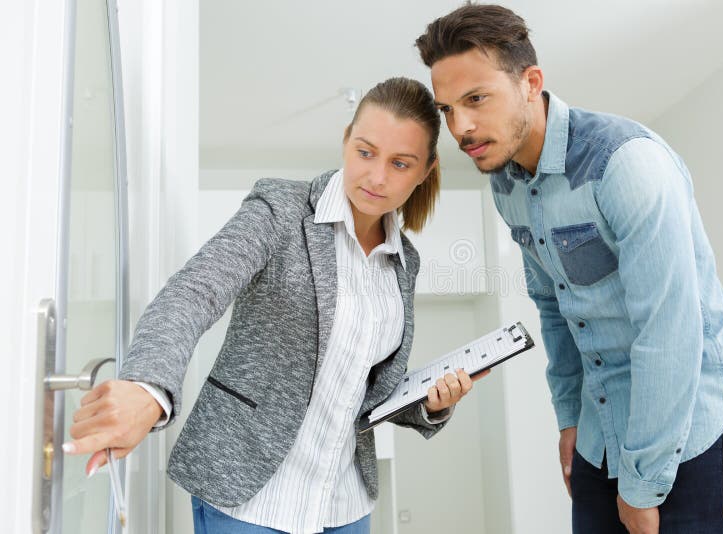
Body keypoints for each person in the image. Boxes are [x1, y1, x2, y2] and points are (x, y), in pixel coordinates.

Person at [63, 77, 487, 534]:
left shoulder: (405, 262)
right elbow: (194, 292)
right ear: (346, 140)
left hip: (343, 503)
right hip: (249, 495)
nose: (377, 176)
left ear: (425, 170)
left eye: (400, 163)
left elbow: (364, 392)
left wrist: (431, 404)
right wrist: (147, 386)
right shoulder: (281, 209)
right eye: (365, 152)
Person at [415, 4, 723, 533]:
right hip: (600, 433)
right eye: (447, 109)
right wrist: (571, 418)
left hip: (694, 434)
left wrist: (643, 486)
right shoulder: (506, 185)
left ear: (531, 83)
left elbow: (669, 329)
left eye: (476, 99)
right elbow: (554, 307)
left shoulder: (625, 163)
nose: (460, 127)